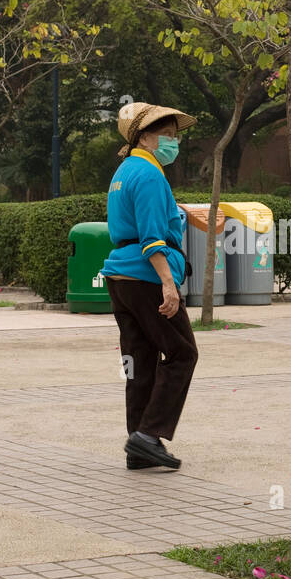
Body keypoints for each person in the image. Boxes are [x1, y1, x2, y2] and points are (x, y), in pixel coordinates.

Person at [101, 102, 200, 472]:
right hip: (146, 277)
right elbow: (152, 239)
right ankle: (147, 435)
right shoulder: (150, 175)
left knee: (139, 362)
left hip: (121, 279)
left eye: (175, 135)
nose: (174, 141)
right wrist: (168, 285)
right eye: (167, 135)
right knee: (182, 353)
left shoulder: (124, 171)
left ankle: (138, 445)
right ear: (144, 137)